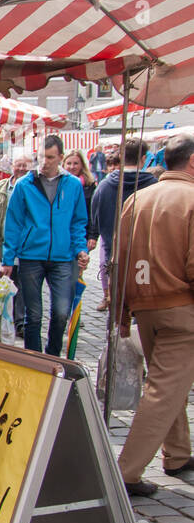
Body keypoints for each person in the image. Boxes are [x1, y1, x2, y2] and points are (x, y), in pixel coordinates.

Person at [115, 133, 194, 498]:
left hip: (145, 306)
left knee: (169, 382)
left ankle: (177, 454)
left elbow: (119, 259)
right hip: (181, 309)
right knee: (164, 389)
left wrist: (121, 310)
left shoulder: (137, 199)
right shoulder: (191, 198)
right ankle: (127, 471)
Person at [0, 134, 89, 357]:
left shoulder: (73, 185)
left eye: (50, 157)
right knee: (34, 315)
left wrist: (81, 248)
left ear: (60, 157)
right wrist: (8, 258)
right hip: (31, 256)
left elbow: (78, 222)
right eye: (41, 156)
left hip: (63, 256)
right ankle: (34, 358)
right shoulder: (24, 185)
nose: (45, 161)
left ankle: (52, 354)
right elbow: (13, 223)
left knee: (60, 312)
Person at [91, 138, 158, 314]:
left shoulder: (104, 185)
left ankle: (113, 338)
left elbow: (95, 219)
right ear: (143, 158)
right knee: (142, 305)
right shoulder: (154, 185)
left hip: (112, 255)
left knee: (115, 306)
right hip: (143, 258)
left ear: (121, 157)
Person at [0, 151, 32, 342]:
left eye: (25, 165)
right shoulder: (1, 186)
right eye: (18, 164)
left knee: (20, 285)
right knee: (2, 285)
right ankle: (2, 322)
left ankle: (19, 322)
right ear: (11, 165)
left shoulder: (31, 188)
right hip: (1, 244)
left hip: (22, 245)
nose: (21, 169)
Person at [63, 148, 99, 255]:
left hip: (82, 233)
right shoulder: (59, 184)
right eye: (69, 163)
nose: (72, 167)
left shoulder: (90, 185)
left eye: (75, 163)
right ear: (63, 164)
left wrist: (93, 235)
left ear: (81, 165)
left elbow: (93, 211)